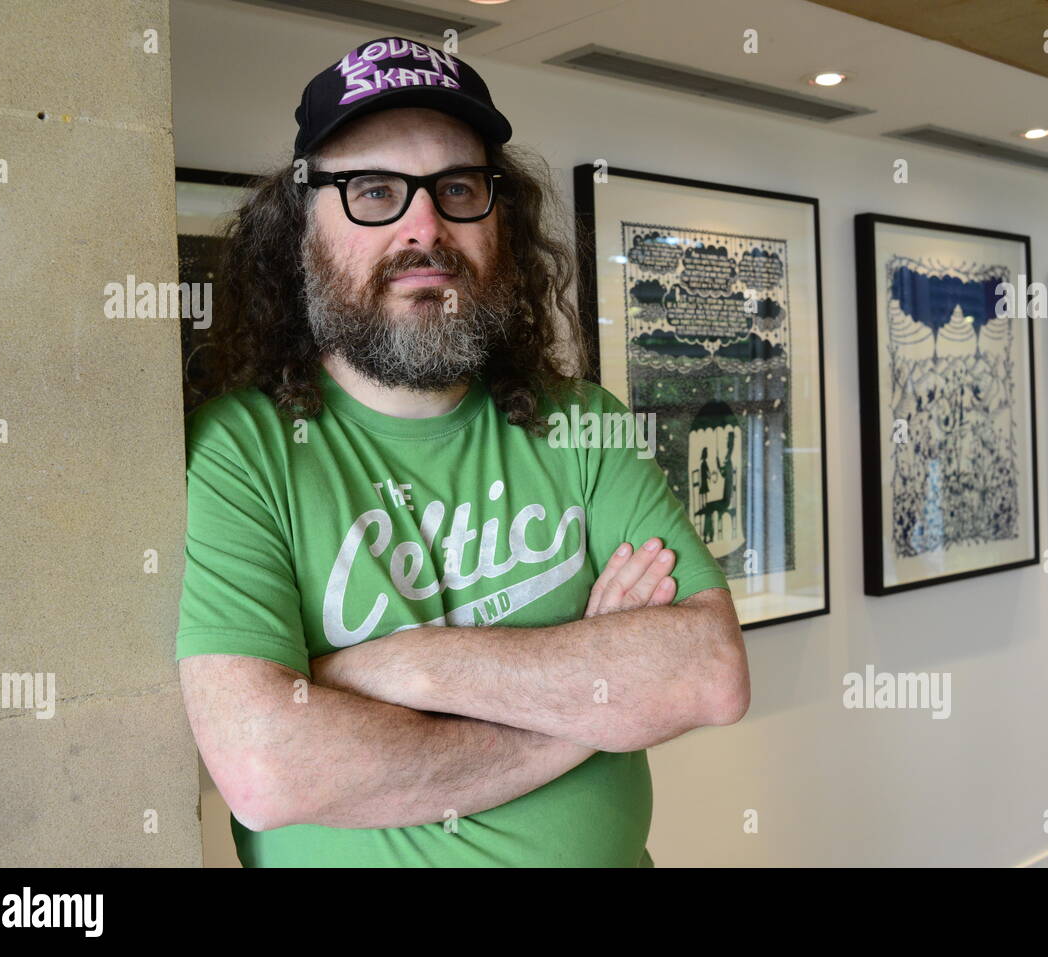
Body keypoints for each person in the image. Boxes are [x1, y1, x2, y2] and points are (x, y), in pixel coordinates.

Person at [174, 35, 749, 867]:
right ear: (303, 227)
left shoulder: (584, 423)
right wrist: (579, 716)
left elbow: (708, 670)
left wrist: (407, 667)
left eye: (458, 188)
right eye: (374, 190)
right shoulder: (240, 452)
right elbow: (267, 765)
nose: (425, 227)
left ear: (499, 219)